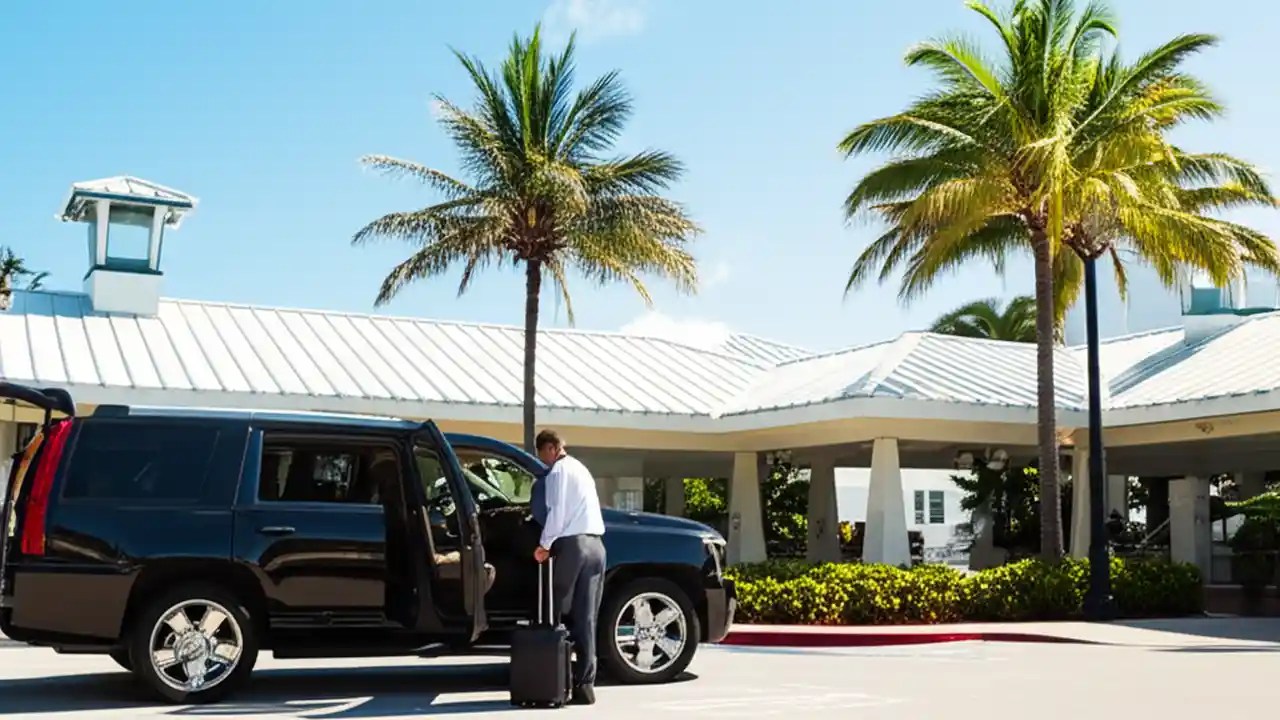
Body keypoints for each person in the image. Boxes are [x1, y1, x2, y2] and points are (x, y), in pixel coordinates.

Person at [531, 428, 606, 706]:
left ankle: (554, 680)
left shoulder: (558, 472)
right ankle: (585, 685)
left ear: (550, 448)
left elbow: (557, 512)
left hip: (573, 546)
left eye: (541, 454)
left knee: (556, 611)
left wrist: (544, 544)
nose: (543, 460)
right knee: (587, 617)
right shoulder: (581, 469)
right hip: (596, 546)